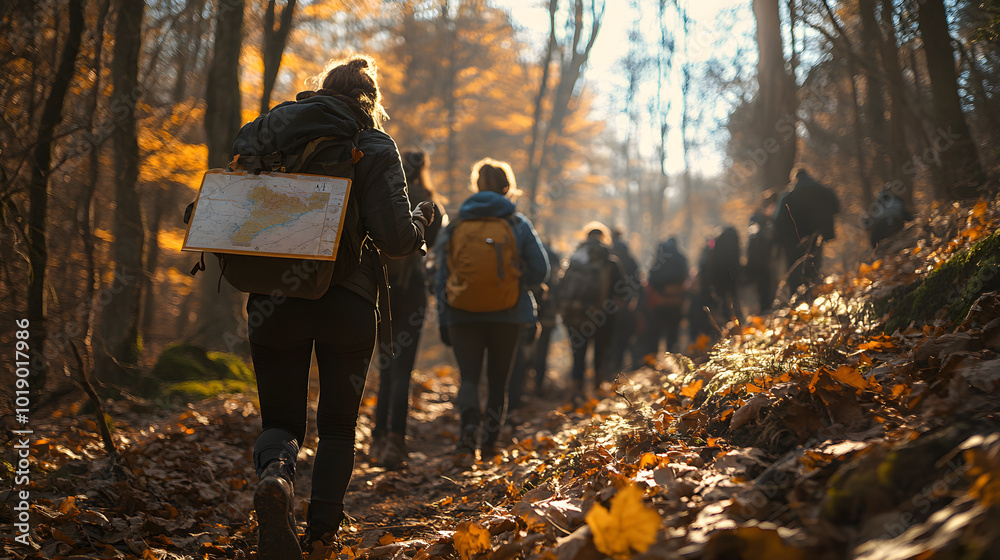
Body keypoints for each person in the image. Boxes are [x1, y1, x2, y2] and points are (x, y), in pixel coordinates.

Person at [239, 55, 434, 558]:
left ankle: (278, 480)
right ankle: (321, 536)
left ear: (321, 90)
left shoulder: (270, 130)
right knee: (337, 427)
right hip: (346, 300)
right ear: (369, 101)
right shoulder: (372, 144)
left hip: (273, 296)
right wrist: (419, 223)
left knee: (279, 423)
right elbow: (393, 240)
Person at [435, 158, 549, 463]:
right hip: (508, 313)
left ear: (476, 187)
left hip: (461, 313)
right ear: (506, 188)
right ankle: (490, 444)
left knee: (469, 378)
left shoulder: (457, 222)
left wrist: (444, 317)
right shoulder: (517, 223)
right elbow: (541, 268)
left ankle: (466, 436)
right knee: (499, 380)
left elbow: (440, 273)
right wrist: (516, 281)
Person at [370, 150, 447, 469]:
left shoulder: (384, 199)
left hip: (381, 287)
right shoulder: (432, 205)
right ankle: (395, 440)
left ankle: (376, 435)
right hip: (413, 288)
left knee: (385, 363)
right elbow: (433, 245)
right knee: (403, 368)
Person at [559, 223, 626, 398]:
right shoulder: (610, 262)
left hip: (576, 314)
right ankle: (598, 389)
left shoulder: (575, 260)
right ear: (604, 239)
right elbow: (624, 292)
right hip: (602, 316)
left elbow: (561, 287)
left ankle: (577, 389)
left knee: (578, 353)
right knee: (600, 351)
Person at [773, 167, 840, 297]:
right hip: (816, 238)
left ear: (794, 179)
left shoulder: (787, 197)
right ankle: (817, 299)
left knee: (795, 274)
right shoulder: (822, 191)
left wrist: (777, 243)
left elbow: (777, 220)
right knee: (815, 268)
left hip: (793, 243)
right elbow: (836, 206)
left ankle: (797, 303)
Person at [644, 237, 688, 355]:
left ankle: (652, 362)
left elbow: (651, 278)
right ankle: (672, 360)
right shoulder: (681, 258)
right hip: (675, 303)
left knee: (655, 334)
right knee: (672, 334)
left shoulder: (659, 258)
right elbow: (685, 277)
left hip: (659, 303)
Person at [609, 228, 641, 371]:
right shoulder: (630, 258)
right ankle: (620, 367)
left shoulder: (607, 256)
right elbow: (638, 282)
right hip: (626, 304)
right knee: (623, 337)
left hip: (606, 305)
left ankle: (606, 369)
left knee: (609, 337)